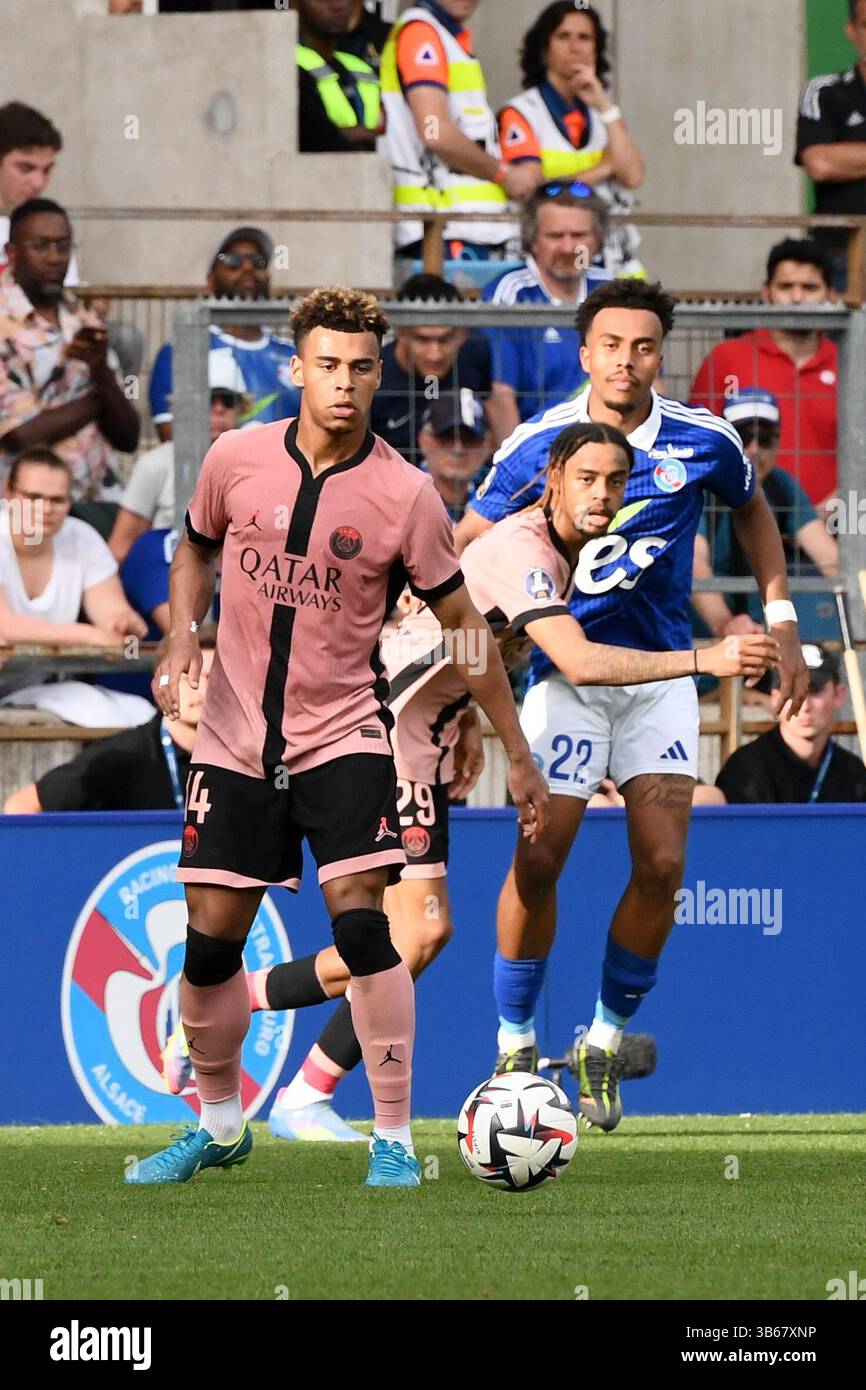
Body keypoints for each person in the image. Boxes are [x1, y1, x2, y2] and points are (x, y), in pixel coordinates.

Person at [163, 422, 773, 1136]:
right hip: (373, 730)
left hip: (421, 734)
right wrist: (708, 660)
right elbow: (574, 661)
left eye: (615, 481)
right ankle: (293, 1080)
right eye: (585, 479)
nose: (601, 495)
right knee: (413, 935)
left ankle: (249, 1025)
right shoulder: (523, 551)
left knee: (421, 934)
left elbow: (468, 642)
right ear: (551, 480)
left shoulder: (561, 554)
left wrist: (470, 727)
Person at [128, 284, 548, 1189]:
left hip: (348, 735)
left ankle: (393, 1139)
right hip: (234, 737)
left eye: (361, 366)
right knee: (209, 948)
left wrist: (511, 742)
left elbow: (464, 622)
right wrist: (178, 630)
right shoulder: (235, 459)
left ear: (380, 368)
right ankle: (219, 1123)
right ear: (297, 368)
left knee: (366, 930)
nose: (345, 383)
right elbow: (194, 546)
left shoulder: (406, 495)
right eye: (327, 365)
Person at [454, 277, 808, 1130]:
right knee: (542, 858)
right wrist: (491, 636)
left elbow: (754, 511)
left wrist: (783, 615)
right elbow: (466, 538)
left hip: (656, 684)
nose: (626, 359)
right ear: (584, 353)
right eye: (610, 344)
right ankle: (514, 1046)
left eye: (643, 346)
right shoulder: (539, 442)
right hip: (563, 681)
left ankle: (604, 1042)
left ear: (660, 355)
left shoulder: (701, 439)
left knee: (660, 865)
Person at [0, 199, 140, 503]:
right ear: (12, 253)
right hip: (29, 509)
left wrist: (100, 370)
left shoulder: (84, 319)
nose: (55, 257)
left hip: (101, 500)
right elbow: (19, 436)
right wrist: (96, 401)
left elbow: (129, 437)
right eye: (41, 246)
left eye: (63, 246)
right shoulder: (3, 324)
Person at [0, 446, 150, 726]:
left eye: (57, 500)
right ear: (8, 493)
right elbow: (7, 627)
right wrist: (91, 636)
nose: (45, 508)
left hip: (31, 688)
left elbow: (110, 611)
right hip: (24, 686)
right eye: (33, 497)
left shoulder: (81, 538)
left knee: (139, 714)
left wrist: (122, 623)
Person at [379, 0, 537, 260]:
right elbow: (435, 132)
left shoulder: (446, 35)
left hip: (461, 227)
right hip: (440, 228)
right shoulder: (422, 31)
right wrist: (505, 175)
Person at [498, 2, 645, 278]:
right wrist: (604, 168)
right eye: (563, 36)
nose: (575, 46)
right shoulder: (523, 112)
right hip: (554, 263)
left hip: (614, 259)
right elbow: (531, 190)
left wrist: (603, 104)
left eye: (585, 38)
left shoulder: (602, 113)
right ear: (544, 49)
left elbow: (633, 175)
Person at [689, 239, 838, 510]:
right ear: (767, 292)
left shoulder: (850, 365)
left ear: (830, 295)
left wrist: (820, 520)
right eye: (786, 287)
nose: (796, 298)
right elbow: (697, 447)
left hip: (835, 532)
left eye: (809, 288)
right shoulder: (727, 357)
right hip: (739, 527)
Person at [3, 631, 216, 814]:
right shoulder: (124, 756)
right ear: (158, 688)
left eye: (214, 678)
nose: (202, 689)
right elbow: (21, 807)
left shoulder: (247, 758)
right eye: (187, 678)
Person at [693, 389, 838, 641]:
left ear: (779, 441)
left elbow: (830, 559)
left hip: (763, 635)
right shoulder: (703, 487)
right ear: (725, 440)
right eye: (743, 436)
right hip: (699, 640)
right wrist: (725, 624)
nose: (754, 449)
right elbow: (694, 564)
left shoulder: (781, 485)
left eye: (766, 439)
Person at [482, 182, 613, 441]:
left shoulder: (614, 291)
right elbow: (500, 396)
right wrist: (523, 470)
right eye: (555, 236)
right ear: (532, 242)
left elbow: (651, 386)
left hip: (611, 449)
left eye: (578, 236)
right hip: (539, 451)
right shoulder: (510, 293)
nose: (568, 247)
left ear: (597, 241)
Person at [148, 226, 300, 442]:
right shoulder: (183, 350)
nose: (247, 267)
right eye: (232, 260)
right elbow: (171, 437)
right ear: (211, 279)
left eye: (258, 261)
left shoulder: (294, 354)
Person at [110, 360, 245, 566]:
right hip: (164, 566)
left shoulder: (254, 464)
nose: (218, 408)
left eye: (228, 400)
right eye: (208, 399)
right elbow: (121, 547)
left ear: (241, 408)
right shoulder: (155, 464)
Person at [717, 642, 866, 804]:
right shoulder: (745, 770)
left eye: (815, 691)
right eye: (791, 690)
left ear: (839, 695)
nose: (804, 705)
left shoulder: (854, 772)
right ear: (775, 699)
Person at [368, 273, 491, 463]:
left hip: (459, 479)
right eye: (423, 340)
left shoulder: (475, 353)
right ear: (401, 331)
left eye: (445, 339)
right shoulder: (373, 378)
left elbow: (492, 418)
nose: (435, 354)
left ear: (462, 334)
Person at [796, 0, 866, 290]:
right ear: (852, 30)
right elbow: (819, 164)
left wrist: (849, 158)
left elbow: (831, 160)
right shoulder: (823, 91)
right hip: (839, 260)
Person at [0, 103, 79, 285]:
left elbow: (66, 296)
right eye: (26, 168)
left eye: (46, 170)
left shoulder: (51, 226)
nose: (39, 183)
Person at [293, 0, 382, 154]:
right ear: (293, 4)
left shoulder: (358, 66)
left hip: (370, 170)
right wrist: (344, 135)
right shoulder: (284, 66)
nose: (338, 5)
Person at [417, 392, 492, 521]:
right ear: (424, 440)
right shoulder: (403, 496)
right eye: (447, 437)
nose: (458, 450)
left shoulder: (495, 502)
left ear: (486, 446)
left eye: (470, 439)